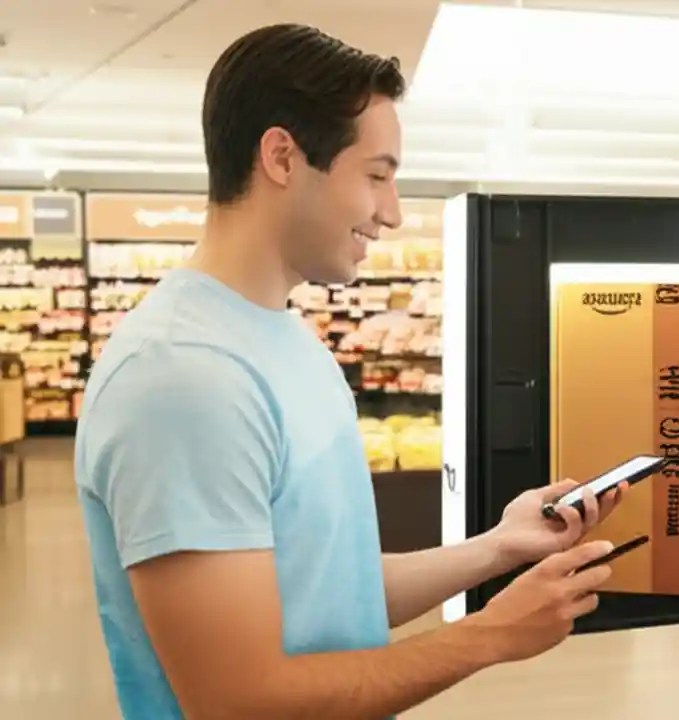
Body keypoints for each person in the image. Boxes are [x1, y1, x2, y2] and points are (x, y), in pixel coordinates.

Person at [74, 23, 625, 719]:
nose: (392, 213)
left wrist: (498, 548)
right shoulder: (184, 380)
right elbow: (241, 700)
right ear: (282, 157)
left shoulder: (285, 341)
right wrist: (488, 635)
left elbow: (332, 591)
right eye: (377, 175)